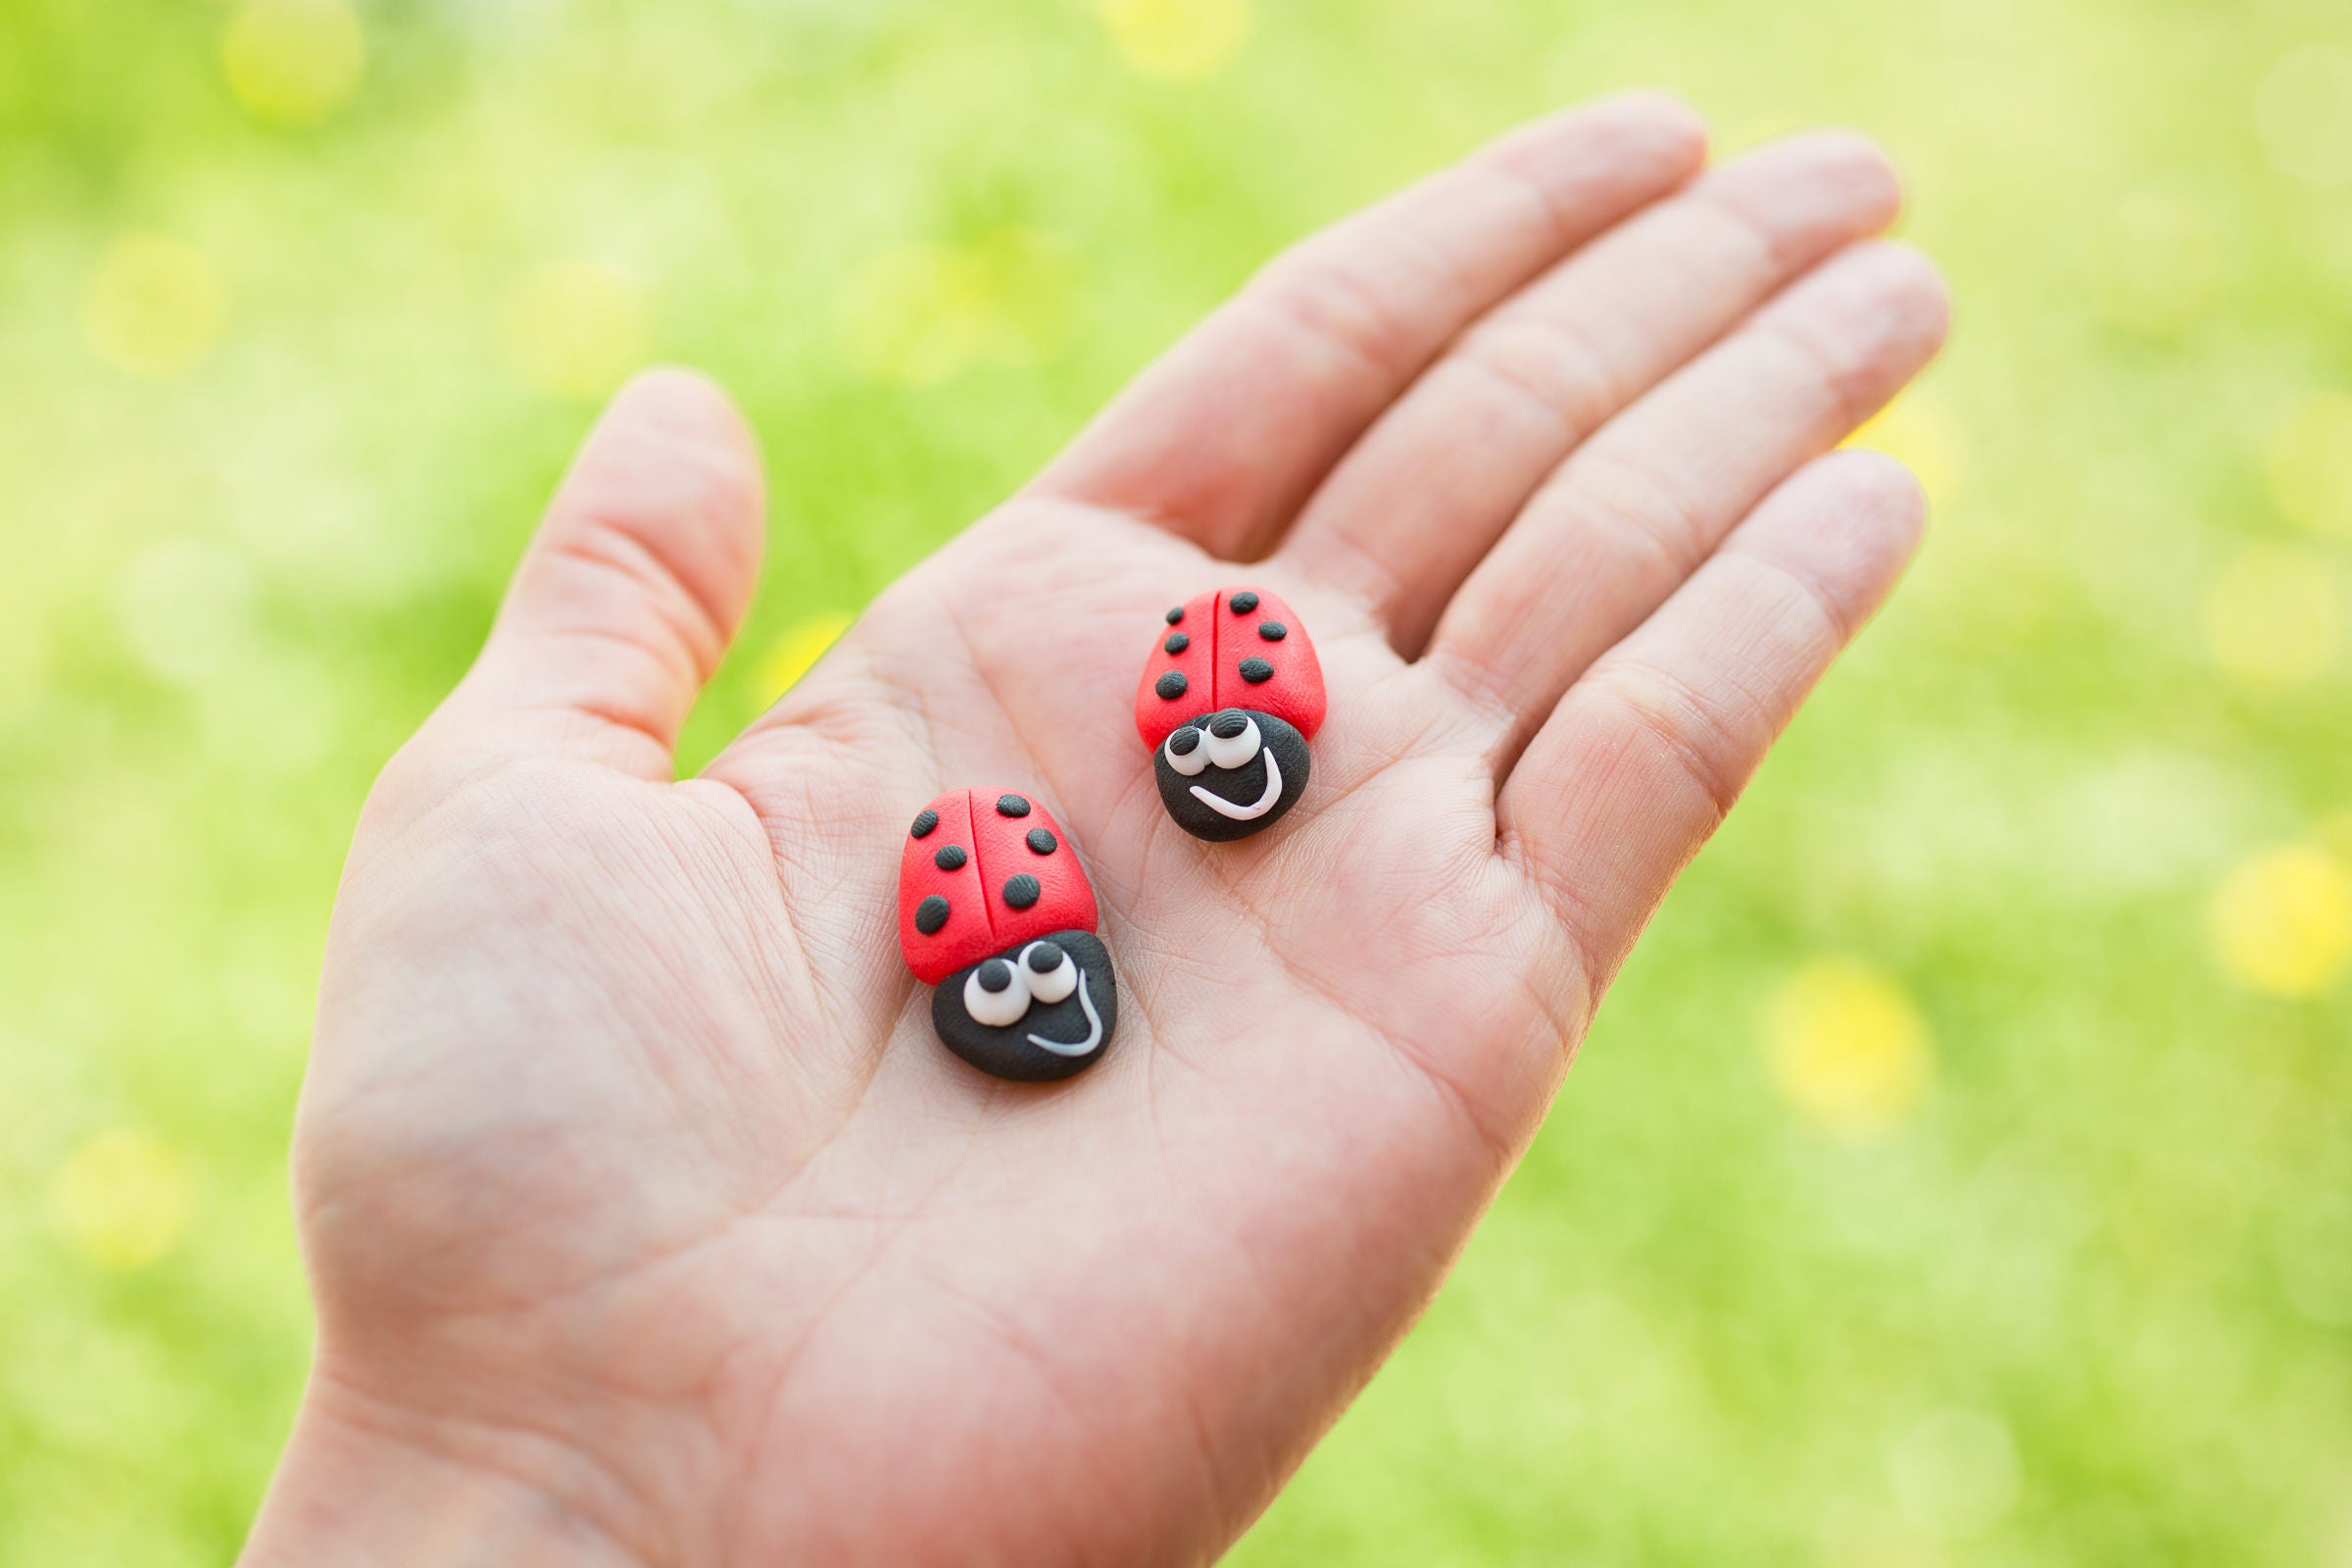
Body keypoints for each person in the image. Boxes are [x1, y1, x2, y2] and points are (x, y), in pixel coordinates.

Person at [238, 90, 1947, 1566]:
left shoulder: (1080, 854)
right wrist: (529, 1448)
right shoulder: (1024, 900)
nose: (1050, 1004)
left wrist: (510, 1473)